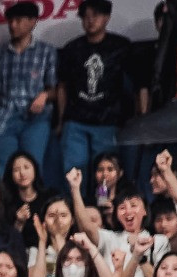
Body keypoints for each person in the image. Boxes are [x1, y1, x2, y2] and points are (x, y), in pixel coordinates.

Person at [57, 0, 131, 179]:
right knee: (74, 171)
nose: (90, 21)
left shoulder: (121, 47)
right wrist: (61, 120)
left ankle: (103, 205)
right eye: (86, 16)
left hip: (108, 120)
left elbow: (133, 87)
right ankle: (76, 205)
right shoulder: (72, 48)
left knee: (105, 172)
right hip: (76, 121)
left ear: (106, 18)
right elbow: (62, 86)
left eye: (95, 16)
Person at [0, 2, 57, 179]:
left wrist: (44, 95)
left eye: (18, 20)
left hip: (35, 119)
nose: (13, 25)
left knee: (31, 169)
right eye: (10, 20)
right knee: (3, 173)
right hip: (3, 118)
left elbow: (56, 90)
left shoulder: (46, 51)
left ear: (33, 21)